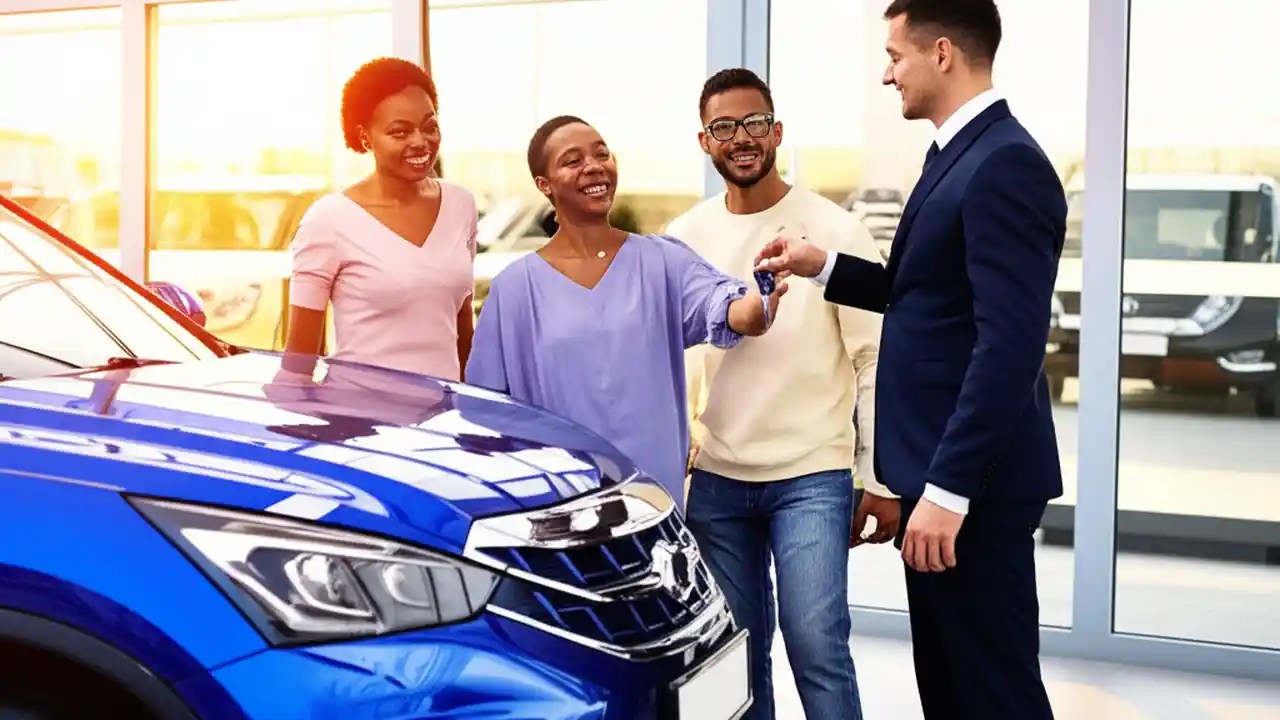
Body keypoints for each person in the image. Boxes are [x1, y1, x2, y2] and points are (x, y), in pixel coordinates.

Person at [756, 1, 1066, 718]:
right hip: (939, 477)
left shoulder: (1005, 163)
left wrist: (950, 492)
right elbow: (918, 291)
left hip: (970, 490)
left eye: (895, 56)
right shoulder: (956, 153)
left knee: (992, 693)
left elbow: (1010, 346)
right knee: (952, 688)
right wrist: (819, 263)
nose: (887, 73)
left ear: (943, 53)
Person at [667, 68, 898, 720]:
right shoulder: (683, 237)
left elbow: (873, 357)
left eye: (754, 123)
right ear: (704, 142)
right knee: (735, 656)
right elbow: (674, 358)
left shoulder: (835, 230)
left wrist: (879, 477)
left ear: (777, 132)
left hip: (811, 476)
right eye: (723, 127)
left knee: (817, 645)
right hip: (716, 479)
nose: (741, 137)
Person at [465, 115, 789, 508]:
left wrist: (762, 300)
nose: (593, 166)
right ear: (544, 184)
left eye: (602, 154)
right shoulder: (516, 288)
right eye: (573, 161)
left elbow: (729, 309)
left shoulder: (661, 261)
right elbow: (488, 411)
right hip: (559, 505)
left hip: (651, 500)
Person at [285, 57, 478, 382]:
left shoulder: (461, 205)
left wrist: (471, 402)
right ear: (365, 137)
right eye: (400, 132)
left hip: (442, 411)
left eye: (429, 127)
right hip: (358, 411)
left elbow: (462, 330)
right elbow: (299, 363)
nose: (420, 141)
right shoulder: (329, 220)